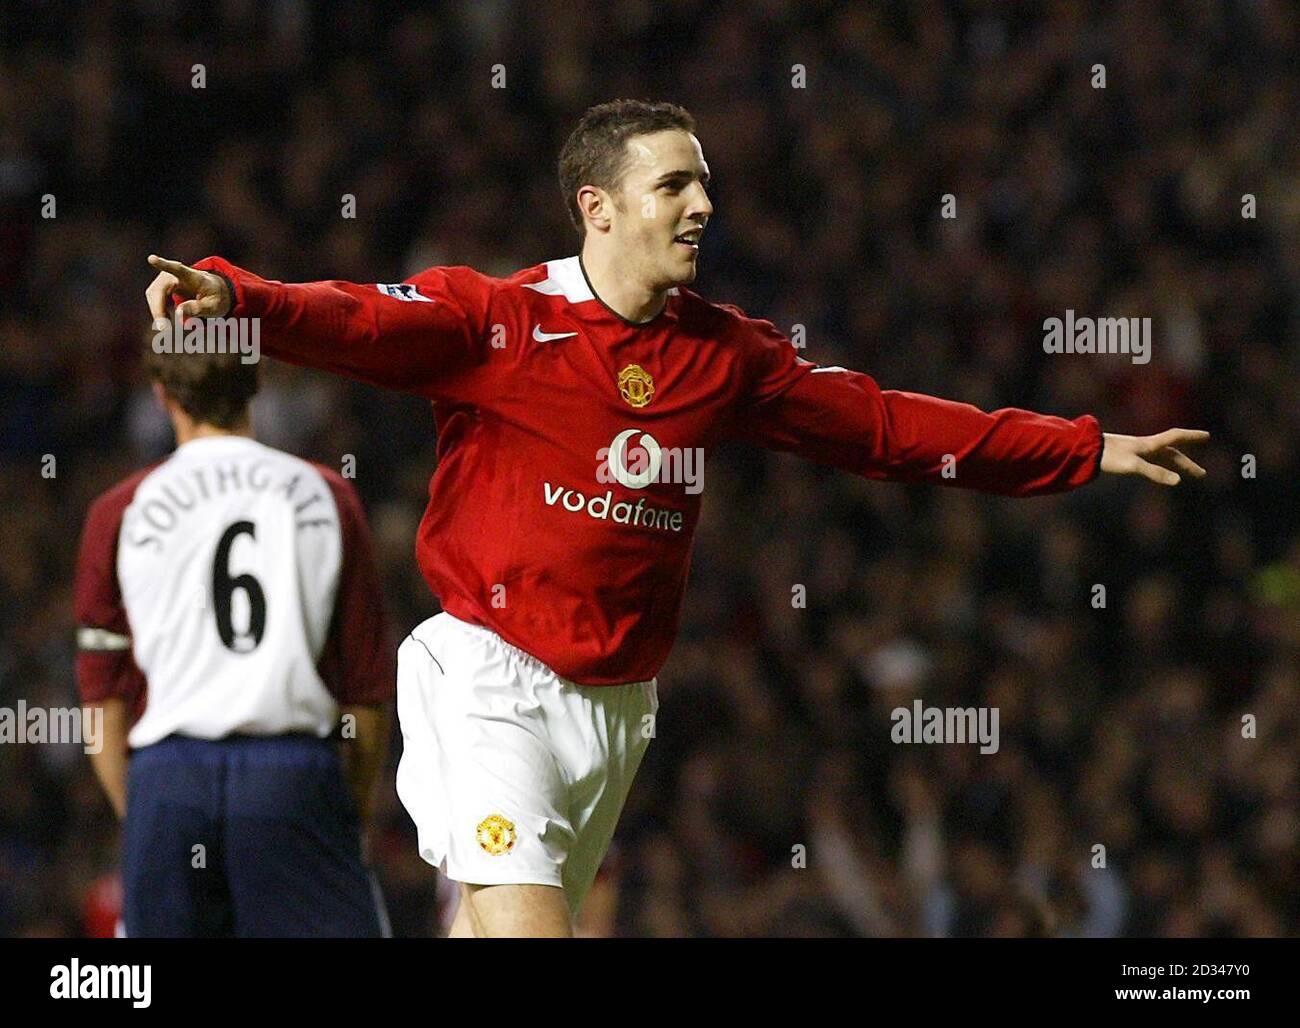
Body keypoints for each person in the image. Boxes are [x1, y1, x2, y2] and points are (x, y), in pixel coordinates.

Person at [142, 99, 1208, 937]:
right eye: (674, 184)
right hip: (488, 679)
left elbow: (883, 425)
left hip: (615, 711)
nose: (701, 205)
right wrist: (235, 294)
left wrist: (1082, 447)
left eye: (704, 184)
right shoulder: (501, 320)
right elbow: (355, 318)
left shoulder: (725, 354)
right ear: (596, 207)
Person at [74, 347, 394, 937]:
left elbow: (101, 702)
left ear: (161, 395)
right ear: (257, 384)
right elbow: (367, 688)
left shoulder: (118, 511)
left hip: (168, 777)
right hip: (292, 771)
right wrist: (352, 809)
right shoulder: (326, 495)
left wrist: (141, 808)